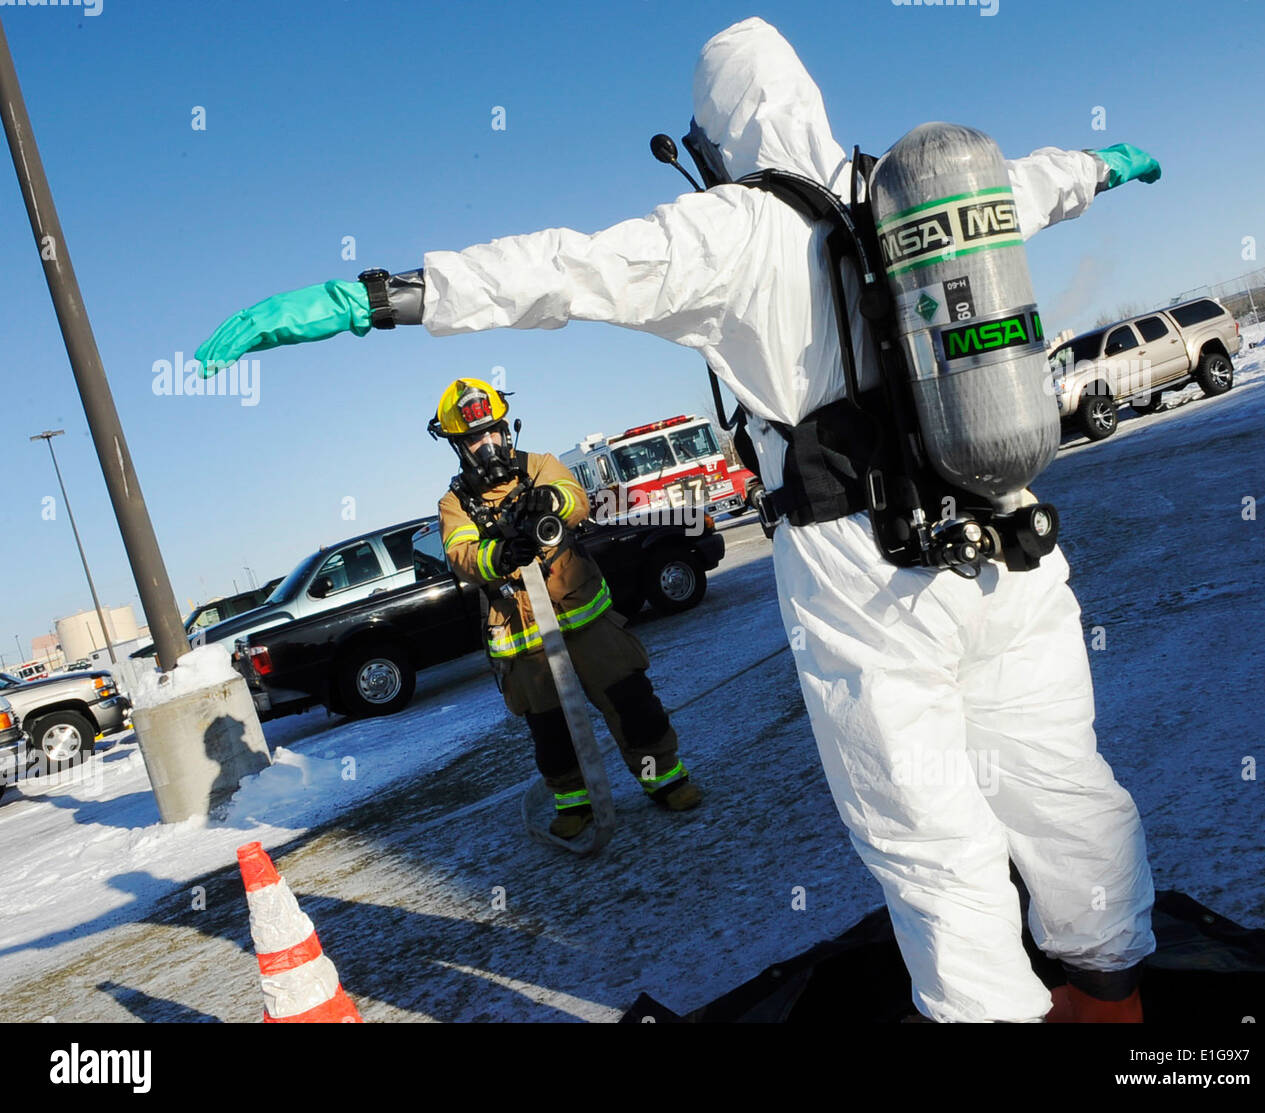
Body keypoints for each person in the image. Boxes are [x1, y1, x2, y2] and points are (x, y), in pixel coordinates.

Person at [197, 18, 1159, 1021]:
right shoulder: (919, 186)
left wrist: (378, 295)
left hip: (863, 563)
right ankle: (1111, 997)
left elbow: (558, 267)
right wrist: (1109, 165)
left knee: (928, 833)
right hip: (1004, 531)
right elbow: (1041, 178)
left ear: (717, 134)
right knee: (1062, 781)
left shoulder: (724, 230)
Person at [432, 377, 701, 838]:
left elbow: (576, 502)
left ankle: (665, 780)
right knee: (550, 728)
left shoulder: (539, 465)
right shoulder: (455, 503)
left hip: (585, 618)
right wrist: (497, 556)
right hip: (523, 633)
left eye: (492, 431)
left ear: (505, 429)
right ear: (459, 444)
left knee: (631, 700)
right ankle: (575, 804)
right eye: (475, 437)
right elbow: (461, 554)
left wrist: (550, 500)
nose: (487, 443)